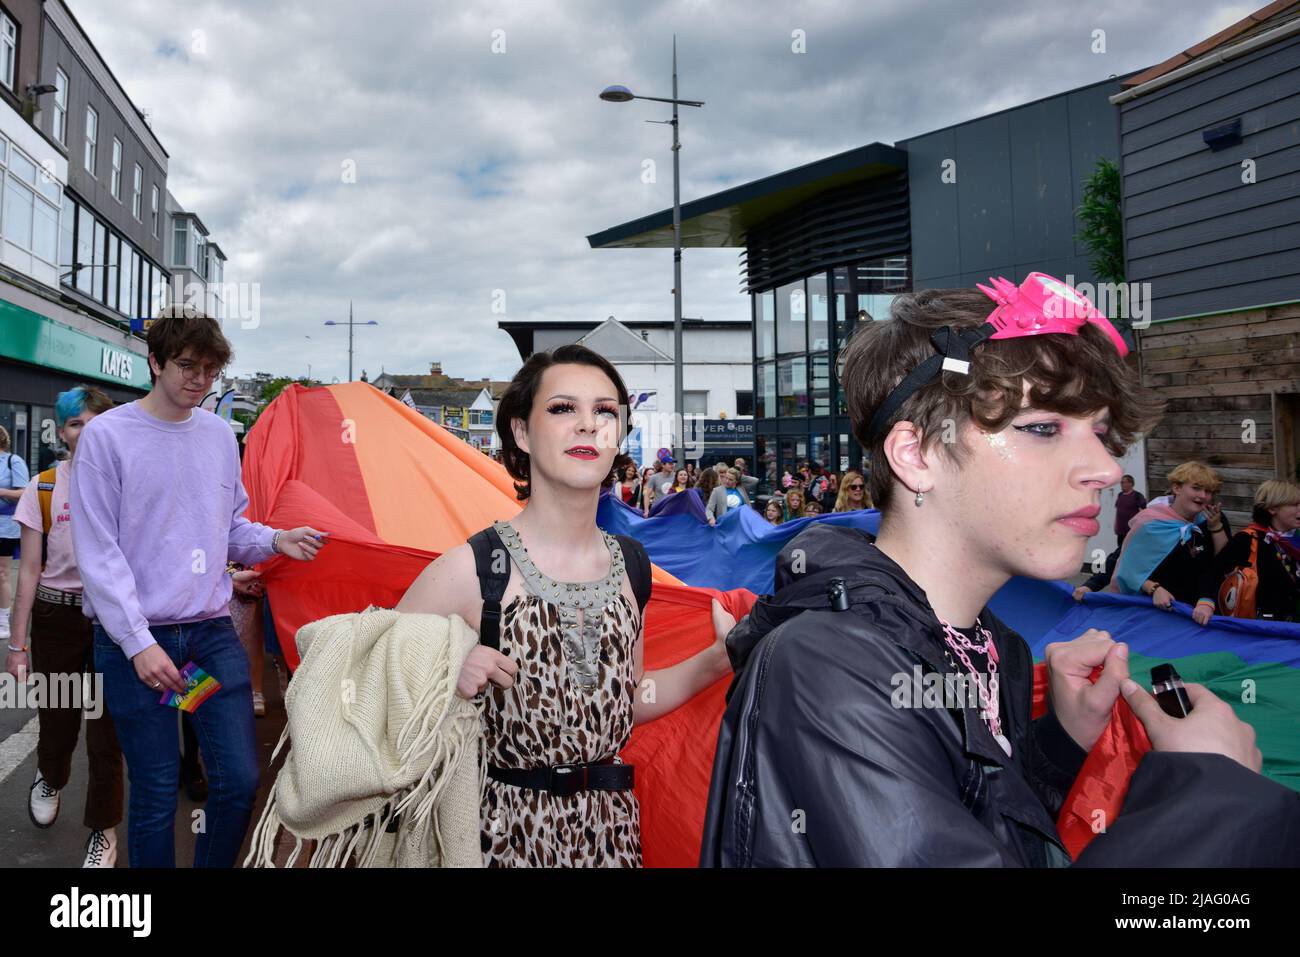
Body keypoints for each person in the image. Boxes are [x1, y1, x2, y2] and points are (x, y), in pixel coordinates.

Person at [703, 276, 1297, 867]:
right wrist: (1213, 795)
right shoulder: (828, 670)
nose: (1106, 470)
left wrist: (1059, 744)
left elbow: (983, 832)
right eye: (1042, 428)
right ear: (918, 455)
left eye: (1098, 433)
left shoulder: (994, 647)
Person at [397, 343, 733, 866]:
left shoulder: (633, 565)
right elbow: (370, 679)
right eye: (562, 408)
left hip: (609, 836)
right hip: (496, 839)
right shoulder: (474, 567)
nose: (588, 425)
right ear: (522, 433)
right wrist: (442, 668)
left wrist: (721, 658)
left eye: (605, 411)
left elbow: (624, 702)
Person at [70, 307, 328, 868]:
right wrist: (138, 644)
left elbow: (227, 525)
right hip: (137, 645)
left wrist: (277, 540)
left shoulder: (216, 434)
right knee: (158, 787)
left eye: (210, 370)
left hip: (206, 639)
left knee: (236, 779)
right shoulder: (107, 438)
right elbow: (98, 551)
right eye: (187, 365)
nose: (199, 379)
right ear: (155, 361)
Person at [5, 386, 123, 868]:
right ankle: (50, 776)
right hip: (57, 618)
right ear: (62, 431)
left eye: (96, 421)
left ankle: (103, 829)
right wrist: (17, 647)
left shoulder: (127, 481)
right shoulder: (45, 487)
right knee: (58, 719)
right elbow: (28, 571)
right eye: (76, 423)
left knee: (107, 735)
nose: (86, 431)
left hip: (114, 621)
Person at [1108, 461, 1227, 627]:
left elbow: (1222, 564)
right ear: (1177, 488)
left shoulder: (1212, 520)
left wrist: (1216, 528)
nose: (1203, 495)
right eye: (1196, 488)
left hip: (1203, 612)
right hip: (1160, 613)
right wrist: (1154, 588)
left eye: (1208, 491)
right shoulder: (1150, 524)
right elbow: (1127, 570)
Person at [1211, 480, 1300, 621]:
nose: (1299, 509)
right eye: (1295, 505)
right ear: (1272, 509)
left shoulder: (1296, 538)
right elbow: (1213, 574)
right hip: (1264, 629)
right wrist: (1206, 603)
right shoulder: (1247, 539)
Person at [0, 424, 31, 648]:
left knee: (1, 573)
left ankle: (3, 622)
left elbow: (24, 492)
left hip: (4, 525)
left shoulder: (14, 461)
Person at [1114, 473, 1147, 547]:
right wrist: (1115, 526)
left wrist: (1140, 528)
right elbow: (1118, 512)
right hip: (1121, 531)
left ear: (1130, 483)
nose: (1121, 484)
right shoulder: (1120, 495)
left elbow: (1143, 512)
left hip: (1132, 531)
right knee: (1120, 551)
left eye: (1123, 482)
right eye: (1121, 482)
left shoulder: (1137, 496)